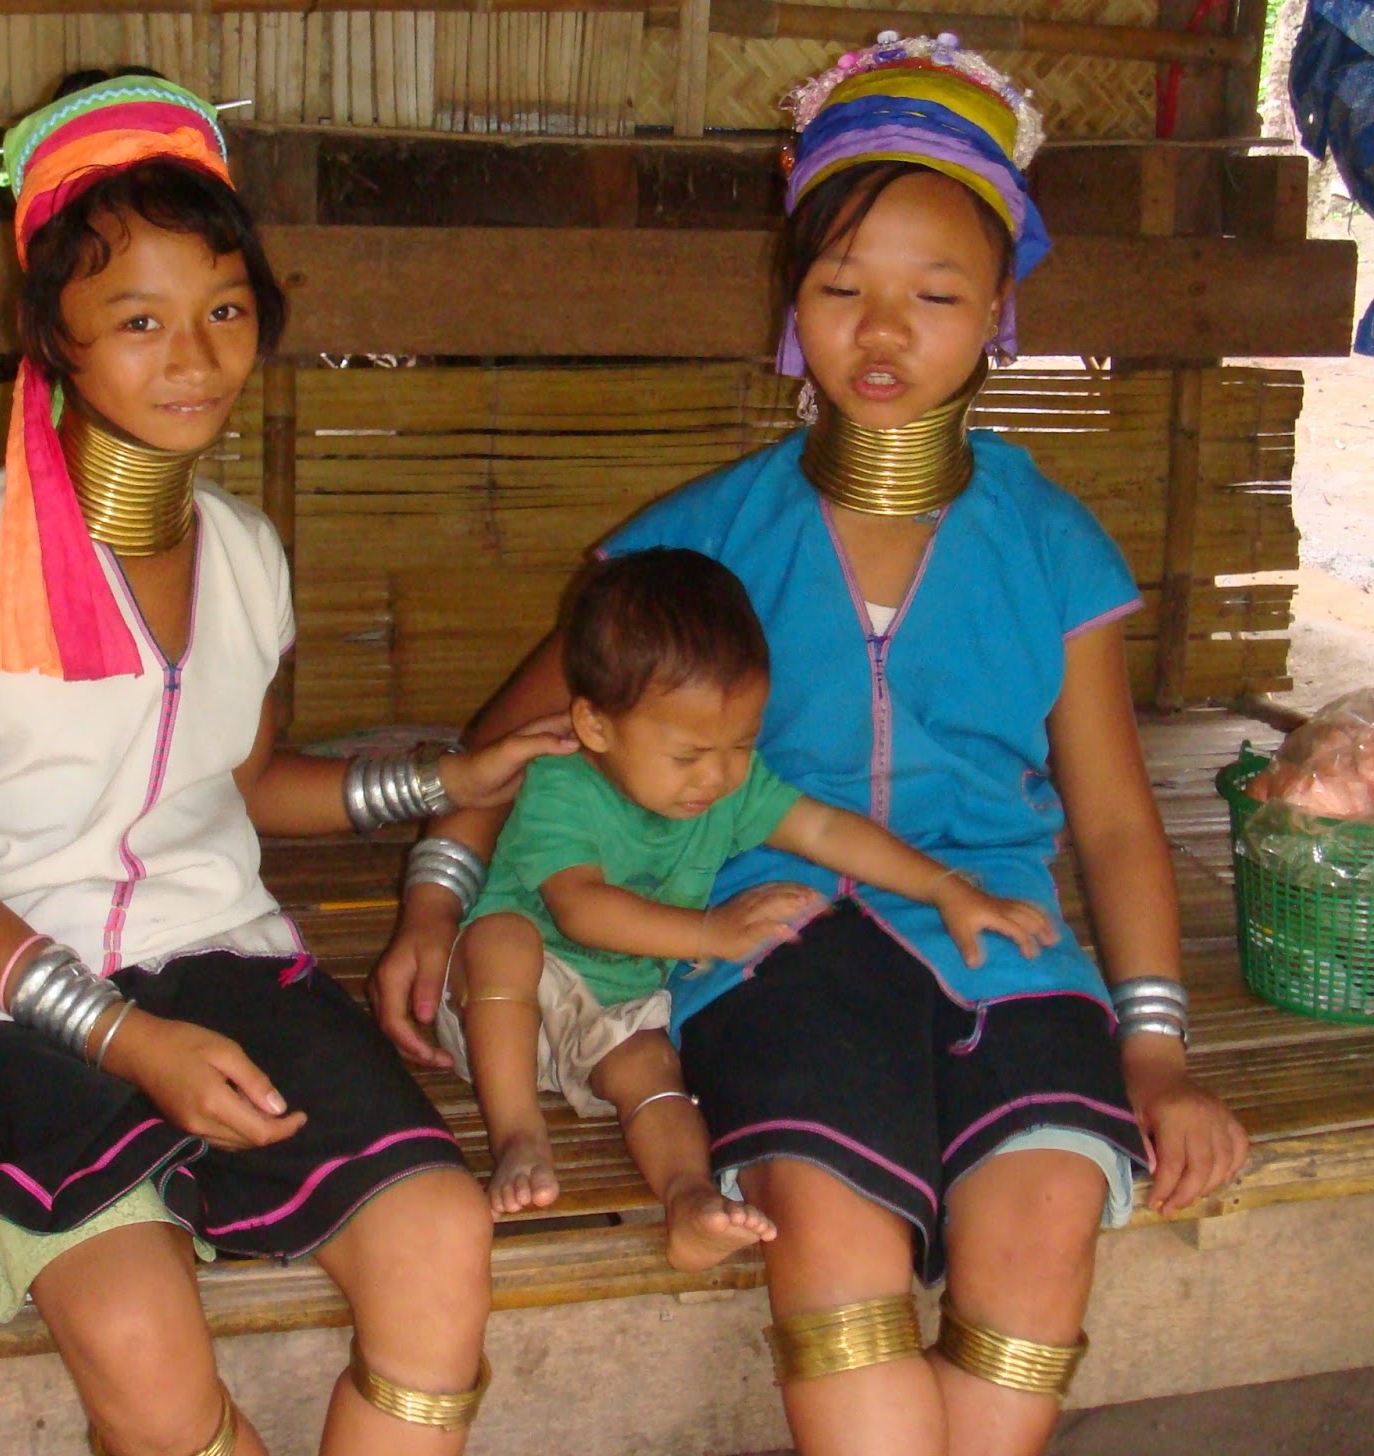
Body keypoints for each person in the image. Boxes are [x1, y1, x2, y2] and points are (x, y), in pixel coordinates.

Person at [371, 33, 1250, 1456]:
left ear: (1001, 309)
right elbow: (520, 736)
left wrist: (1155, 1049)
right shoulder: (705, 535)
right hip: (764, 946)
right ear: (795, 303)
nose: (883, 335)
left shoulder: (1053, 549)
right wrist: (436, 894)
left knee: (1043, 1222)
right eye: (841, 290)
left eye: (934, 295)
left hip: (1008, 947)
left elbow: (1113, 826)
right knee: (828, 1232)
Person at [0, 72, 576, 1456]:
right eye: (139, 320)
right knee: (148, 1360)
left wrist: (445, 781)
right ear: (55, 339)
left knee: (441, 1235)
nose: (195, 357)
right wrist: (129, 1040)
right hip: (9, 1007)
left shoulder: (247, 556)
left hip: (215, 957)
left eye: (224, 312)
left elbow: (246, 785)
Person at [434, 547, 1056, 1275]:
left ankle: (689, 1199)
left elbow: (823, 829)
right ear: (596, 726)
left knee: (656, 1071)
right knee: (502, 939)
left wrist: (947, 887)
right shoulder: (562, 785)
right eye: (690, 754)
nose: (719, 775)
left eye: (742, 745)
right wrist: (711, 932)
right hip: (504, 1003)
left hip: (614, 1010)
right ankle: (517, 1135)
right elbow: (579, 911)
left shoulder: (727, 785)